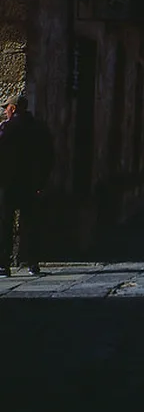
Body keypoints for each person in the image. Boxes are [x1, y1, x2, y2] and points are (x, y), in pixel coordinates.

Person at [0, 93, 55, 276]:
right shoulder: (39, 128)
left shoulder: (5, 129)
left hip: (6, 185)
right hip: (31, 184)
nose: (5, 112)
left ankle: (3, 265)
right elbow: (49, 156)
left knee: (4, 224)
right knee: (30, 223)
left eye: (6, 108)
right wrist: (42, 182)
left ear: (13, 108)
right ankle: (32, 263)